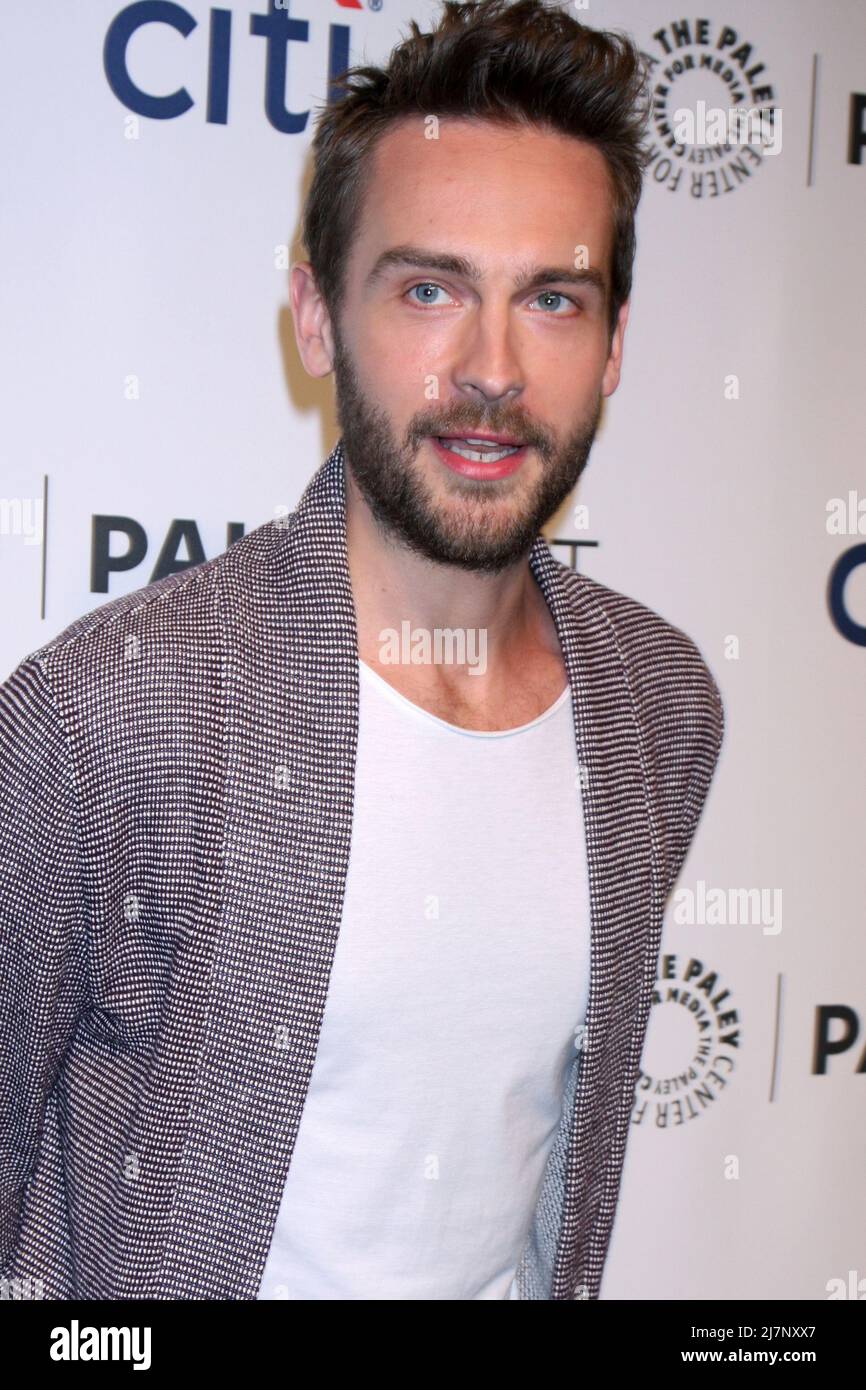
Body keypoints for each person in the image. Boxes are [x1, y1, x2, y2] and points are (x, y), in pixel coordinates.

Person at [0, 0, 724, 1301]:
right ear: (317, 316)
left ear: (613, 343)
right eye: (430, 289)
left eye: (551, 299)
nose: (491, 369)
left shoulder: (659, 704)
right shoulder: (111, 711)